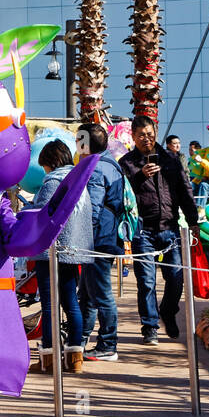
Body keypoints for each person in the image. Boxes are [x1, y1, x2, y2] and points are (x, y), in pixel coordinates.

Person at [119, 115, 198, 345]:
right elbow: (122, 194)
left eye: (150, 134)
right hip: (142, 229)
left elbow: (185, 191)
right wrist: (139, 175)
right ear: (133, 136)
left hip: (171, 227)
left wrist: (193, 221)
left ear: (156, 132)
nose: (146, 139)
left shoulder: (171, 160)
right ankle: (150, 326)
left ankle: (168, 311)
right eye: (141, 135)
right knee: (146, 280)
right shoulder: (127, 163)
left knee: (176, 278)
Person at [27, 140, 94, 374]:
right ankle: (75, 357)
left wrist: (25, 210)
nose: (44, 170)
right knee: (71, 302)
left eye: (44, 165)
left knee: (49, 305)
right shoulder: (79, 182)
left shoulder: (53, 181)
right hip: (74, 251)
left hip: (51, 251)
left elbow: (43, 214)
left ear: (50, 161)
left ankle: (49, 358)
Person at [77, 123, 127, 362]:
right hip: (107, 236)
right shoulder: (112, 164)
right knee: (87, 293)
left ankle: (108, 344)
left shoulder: (96, 169)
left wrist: (83, 234)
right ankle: (81, 339)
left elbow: (93, 210)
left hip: (97, 239)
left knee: (101, 294)